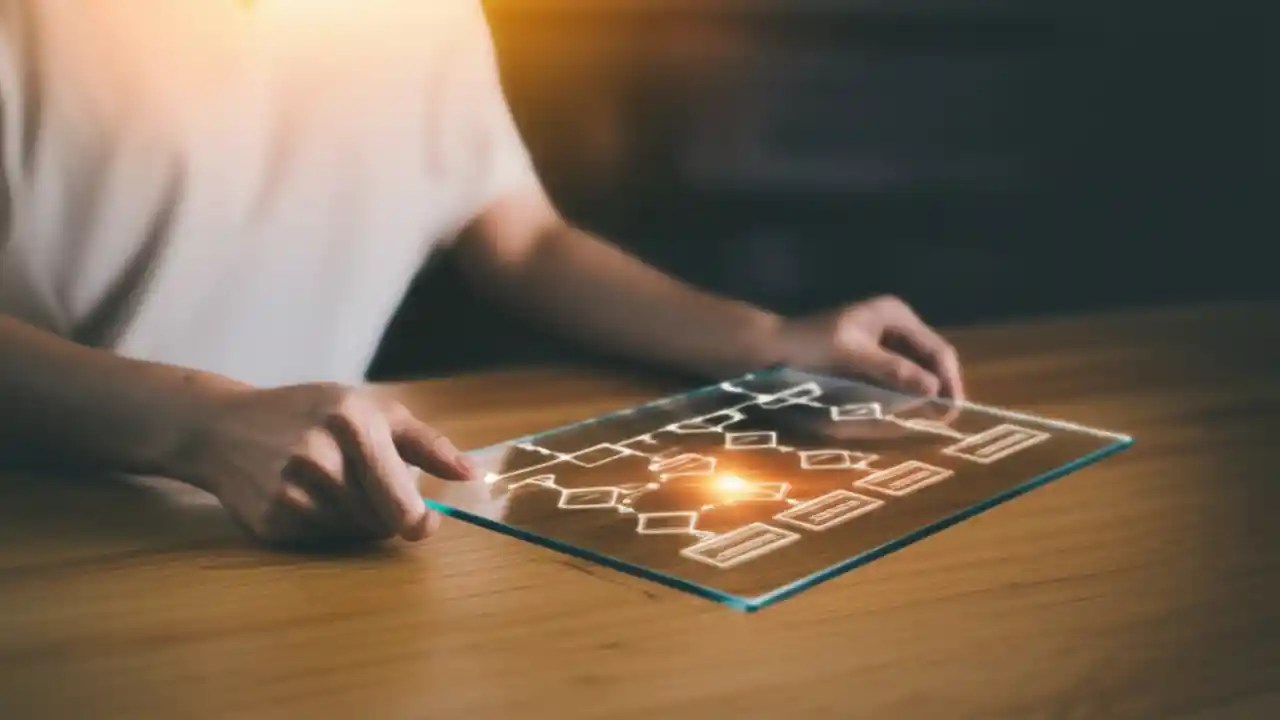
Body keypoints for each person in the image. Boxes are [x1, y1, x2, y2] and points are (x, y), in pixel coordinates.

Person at [0, 1, 962, 546]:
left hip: (336, 532)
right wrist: (202, 424)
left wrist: (765, 339)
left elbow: (521, 240)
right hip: (57, 541)